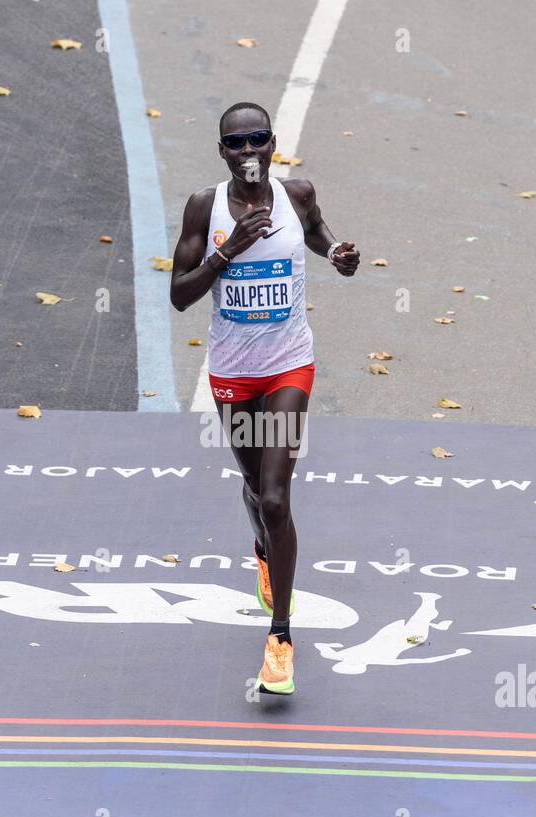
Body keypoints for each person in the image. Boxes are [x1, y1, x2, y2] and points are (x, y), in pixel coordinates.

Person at [169, 101, 360, 696]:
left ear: (272, 143)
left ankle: (280, 637)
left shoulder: (296, 194)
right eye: (236, 143)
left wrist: (336, 255)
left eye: (258, 140)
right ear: (222, 151)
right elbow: (178, 295)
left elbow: (317, 229)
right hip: (232, 373)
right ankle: (261, 545)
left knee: (277, 496)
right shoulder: (206, 207)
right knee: (256, 491)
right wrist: (225, 254)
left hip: (286, 368)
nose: (248, 151)